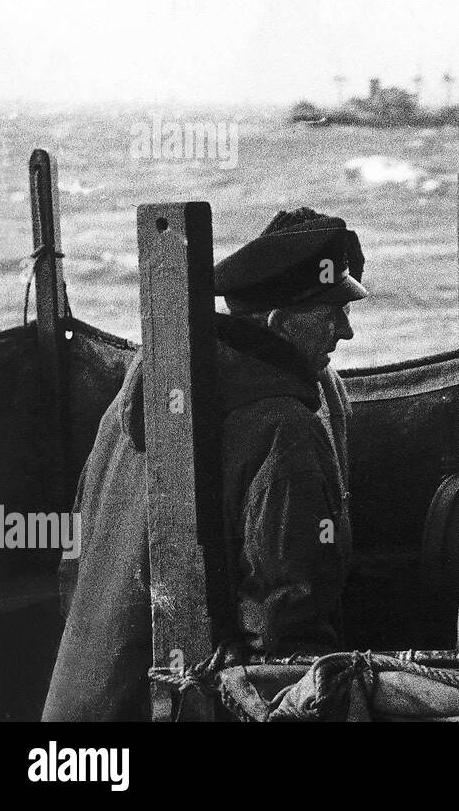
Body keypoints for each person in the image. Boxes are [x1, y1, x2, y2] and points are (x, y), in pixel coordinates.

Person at [43, 208, 366, 720]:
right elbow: (286, 613)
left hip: (86, 702)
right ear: (281, 324)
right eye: (332, 314)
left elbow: (73, 555)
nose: (345, 332)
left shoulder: (141, 387)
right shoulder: (284, 424)